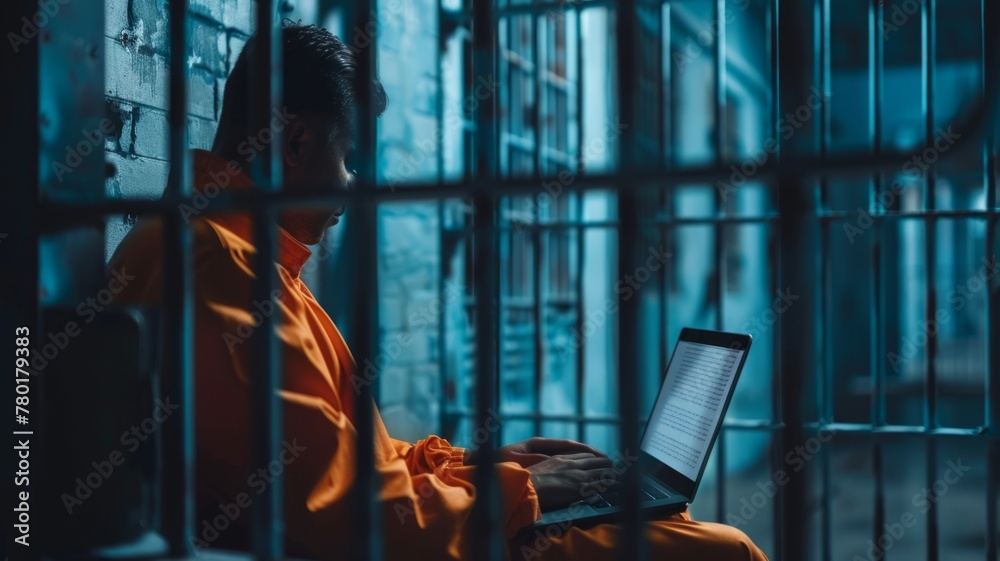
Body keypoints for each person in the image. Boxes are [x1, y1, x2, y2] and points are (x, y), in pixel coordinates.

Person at [108, 22, 768, 561]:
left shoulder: (230, 254)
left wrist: (487, 466)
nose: (352, 183)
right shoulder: (223, 269)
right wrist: (521, 494)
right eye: (349, 157)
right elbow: (339, 515)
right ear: (297, 141)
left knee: (685, 532)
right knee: (723, 547)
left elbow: (348, 460)